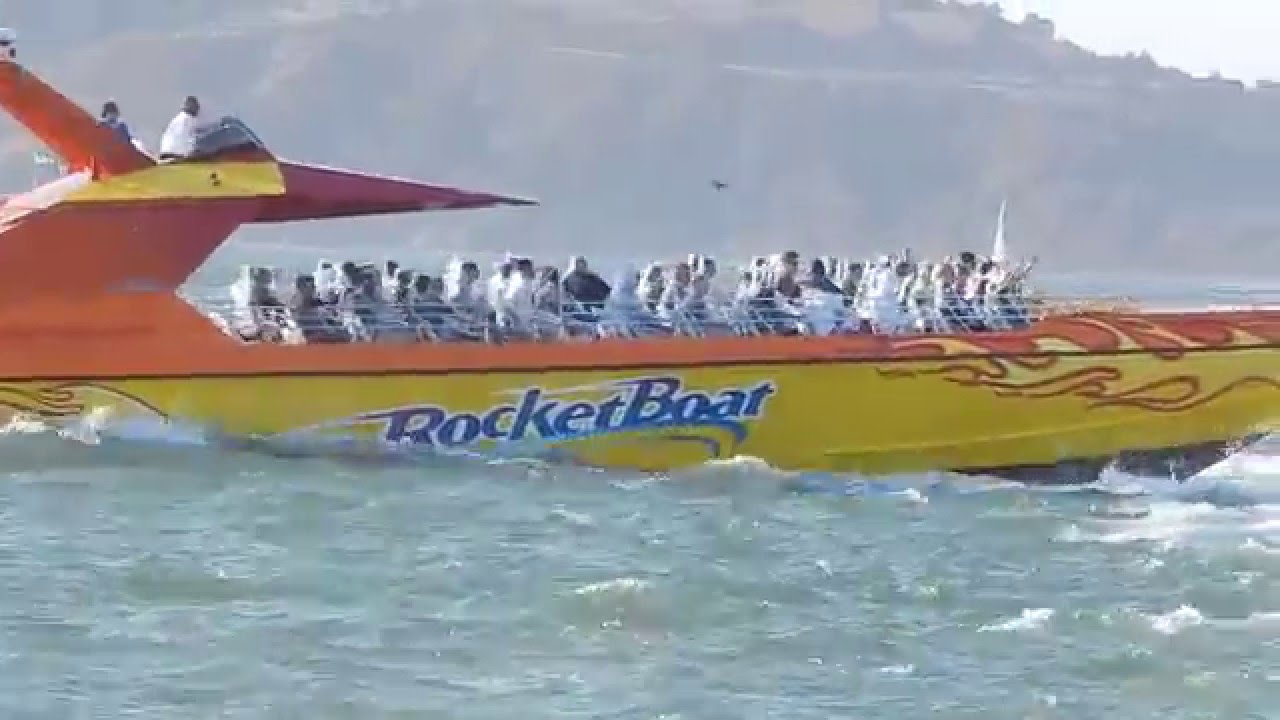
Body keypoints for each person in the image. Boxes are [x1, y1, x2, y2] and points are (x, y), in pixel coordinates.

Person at [159, 96, 201, 160]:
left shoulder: (177, 119)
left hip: (164, 153)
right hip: (177, 154)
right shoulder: (189, 119)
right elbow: (192, 138)